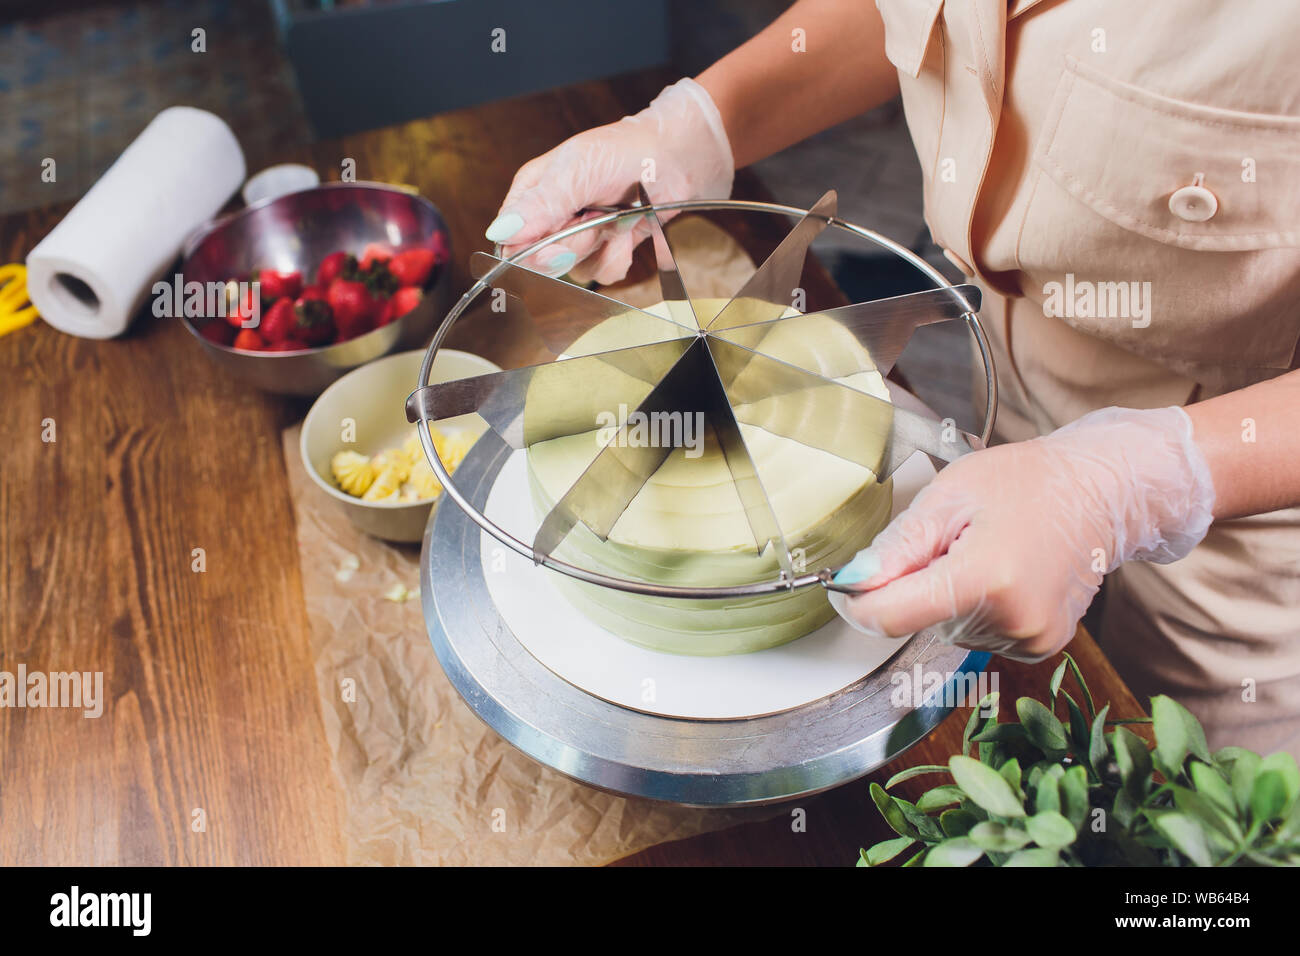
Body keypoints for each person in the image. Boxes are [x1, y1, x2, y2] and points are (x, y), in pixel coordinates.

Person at [485, 0, 1300, 757]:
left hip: (1244, 500)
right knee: (1020, 726)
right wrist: (700, 123)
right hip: (1011, 419)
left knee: (1174, 814)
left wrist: (1139, 480)